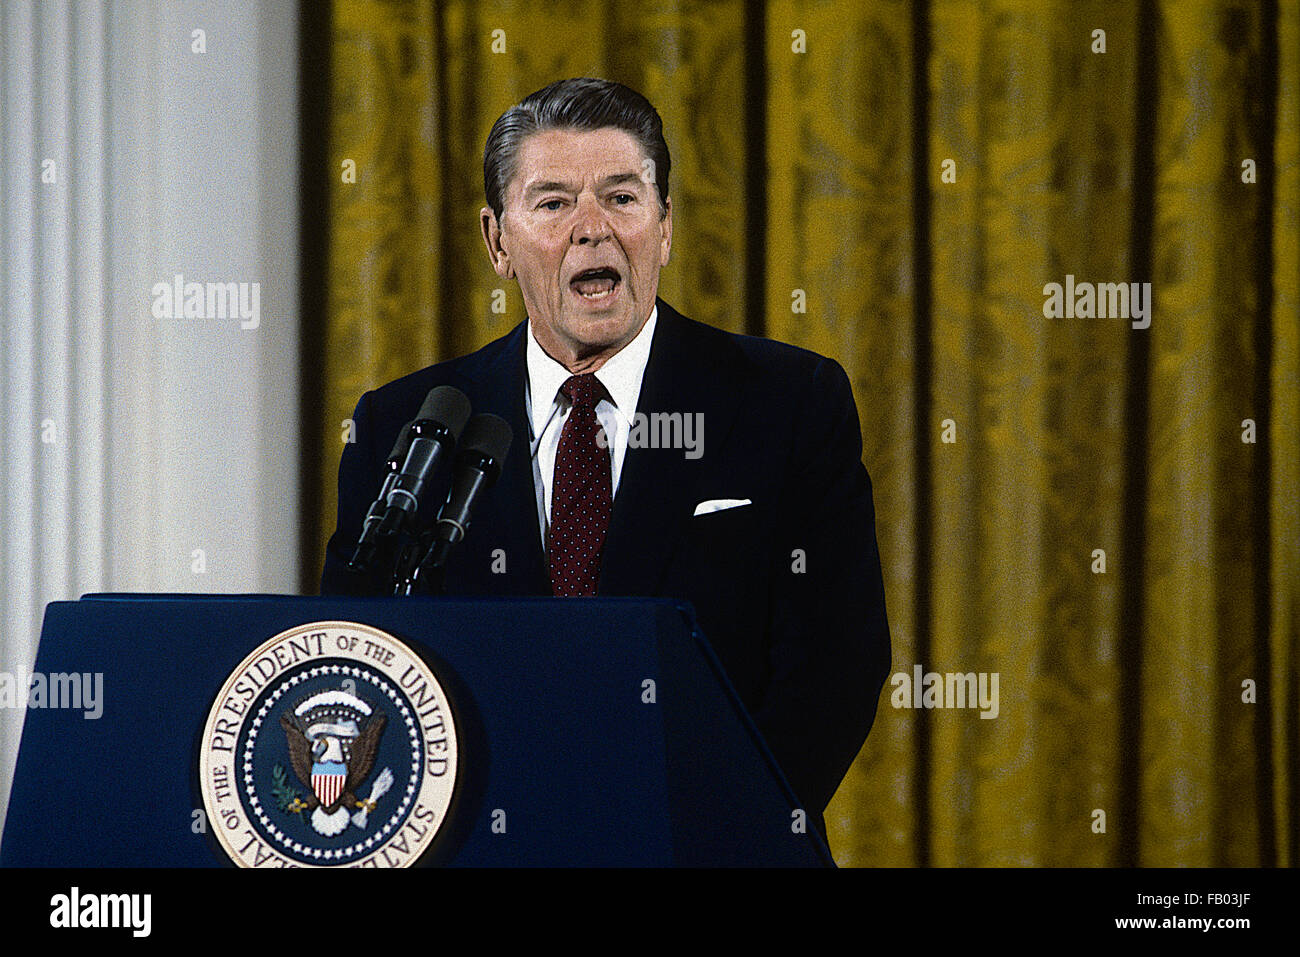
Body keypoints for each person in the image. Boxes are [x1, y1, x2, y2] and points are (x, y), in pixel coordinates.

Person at [321, 77, 891, 836]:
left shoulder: (788, 402)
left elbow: (836, 666)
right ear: (498, 241)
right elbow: (355, 663)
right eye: (554, 203)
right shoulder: (408, 423)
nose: (593, 229)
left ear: (664, 228)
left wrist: (699, 834)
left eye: (622, 198)